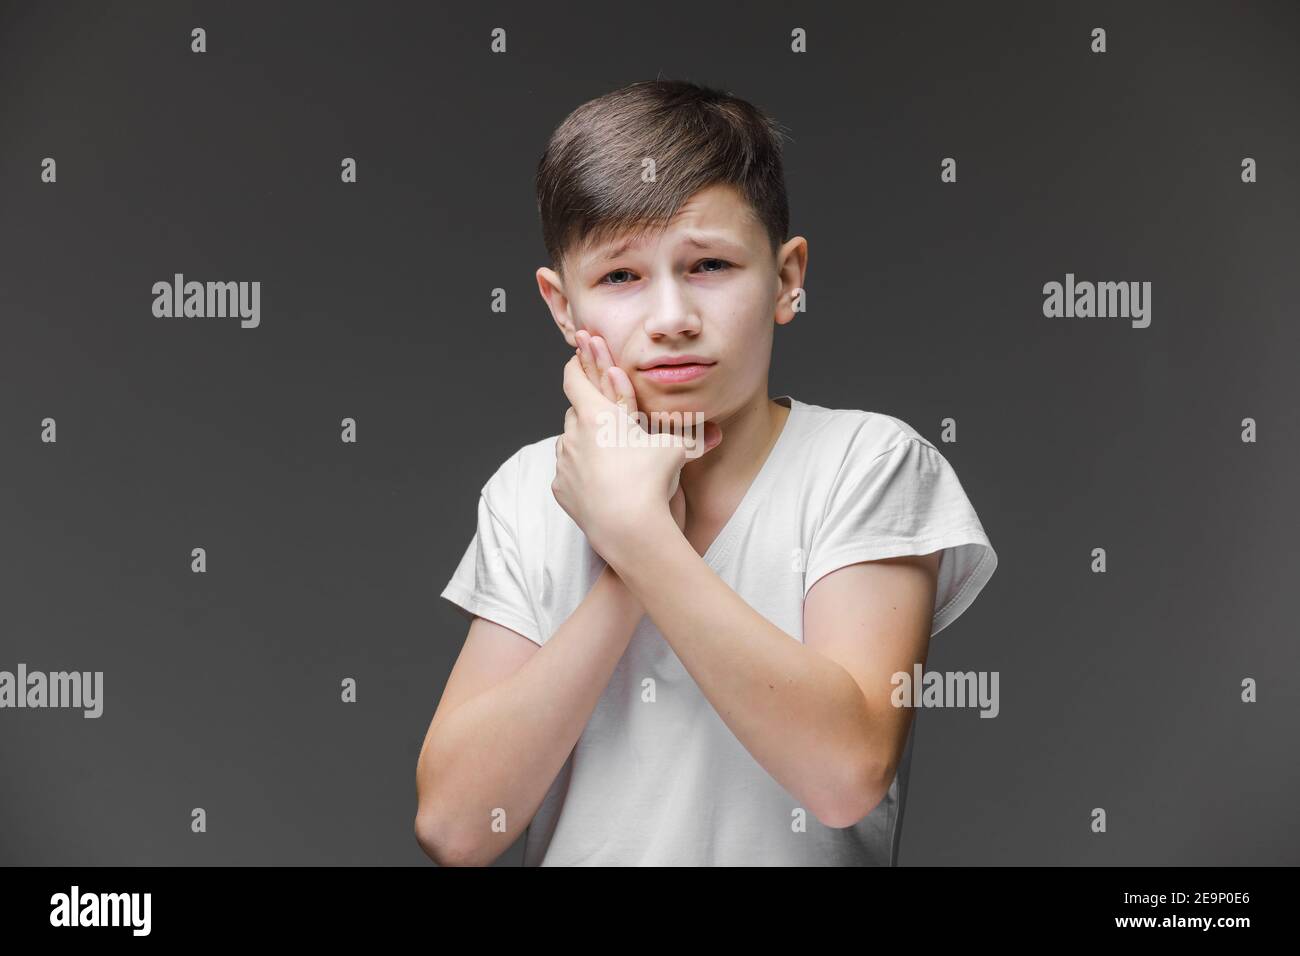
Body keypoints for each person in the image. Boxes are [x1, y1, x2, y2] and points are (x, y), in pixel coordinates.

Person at [415, 78, 998, 866]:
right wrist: (626, 555)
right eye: (620, 277)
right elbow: (455, 829)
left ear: (788, 278)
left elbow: (844, 774)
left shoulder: (866, 464)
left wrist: (637, 536)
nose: (670, 319)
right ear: (562, 307)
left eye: (710, 265)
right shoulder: (529, 491)